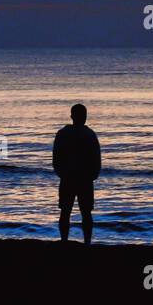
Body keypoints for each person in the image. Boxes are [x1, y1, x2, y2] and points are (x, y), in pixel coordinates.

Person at [53, 103, 101, 243]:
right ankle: (87, 242)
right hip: (85, 179)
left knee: (65, 211)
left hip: (68, 177)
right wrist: (93, 175)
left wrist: (61, 173)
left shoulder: (62, 133)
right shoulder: (90, 134)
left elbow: (56, 157)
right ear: (85, 117)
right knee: (86, 213)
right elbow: (96, 158)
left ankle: (64, 240)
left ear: (72, 116)